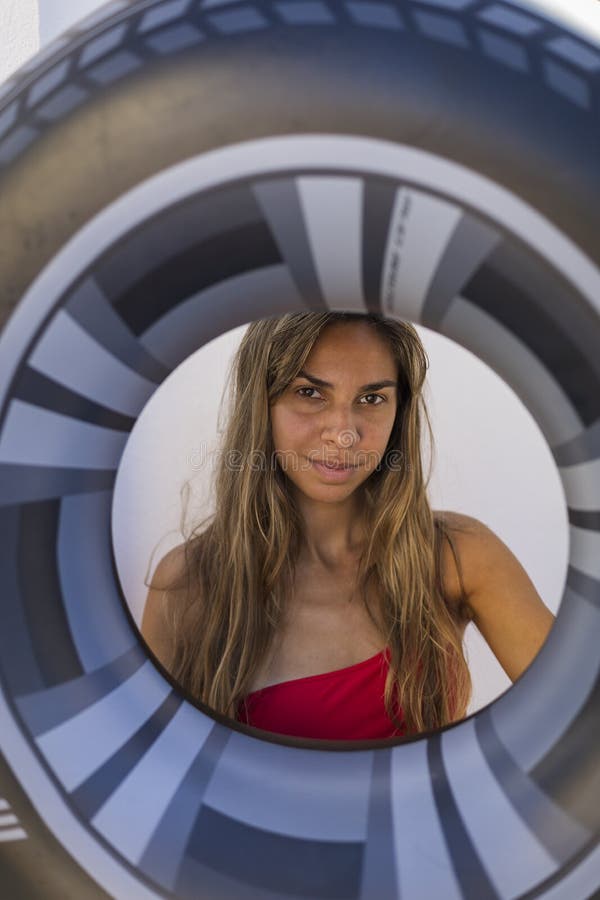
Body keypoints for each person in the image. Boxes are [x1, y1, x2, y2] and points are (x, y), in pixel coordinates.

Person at [141, 311, 555, 742]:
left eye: (372, 399)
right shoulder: (190, 583)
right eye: (310, 393)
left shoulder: (458, 557)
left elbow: (579, 716)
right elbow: (147, 780)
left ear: (400, 411)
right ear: (261, 403)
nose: (343, 434)